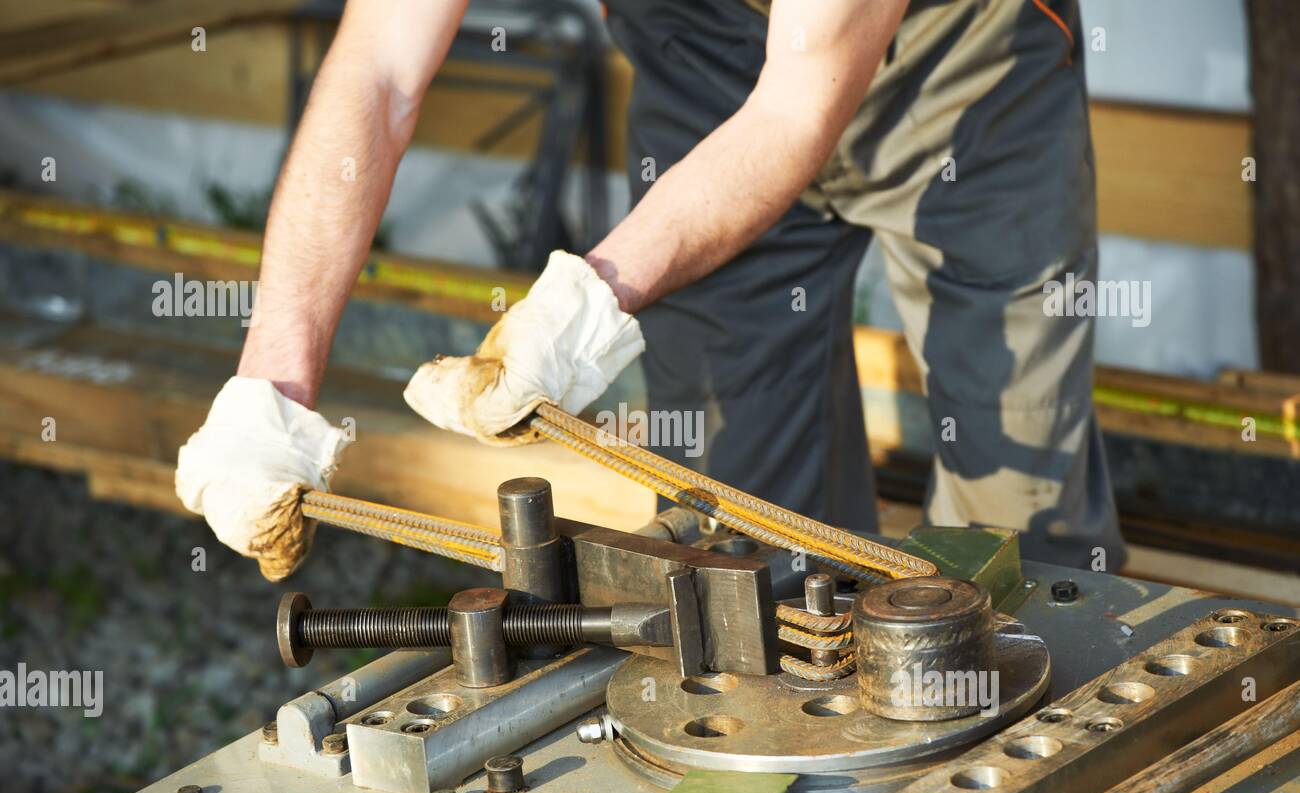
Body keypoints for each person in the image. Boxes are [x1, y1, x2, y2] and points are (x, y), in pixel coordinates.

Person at [176, 0, 1126, 582]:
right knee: (739, 544)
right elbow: (381, 68)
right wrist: (271, 390)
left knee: (1019, 532)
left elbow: (796, 106)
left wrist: (585, 303)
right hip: (702, 49)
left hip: (961, 61)